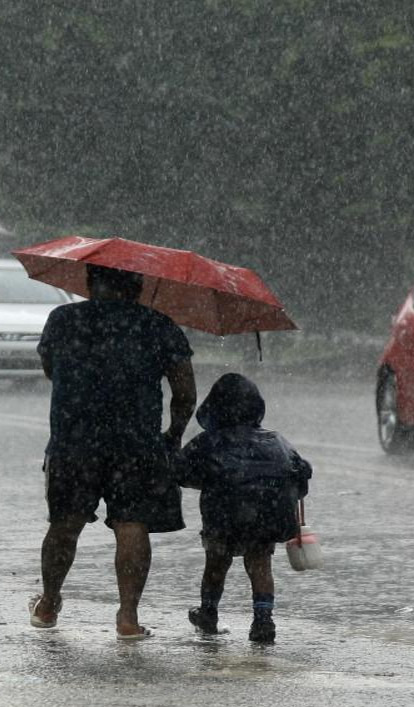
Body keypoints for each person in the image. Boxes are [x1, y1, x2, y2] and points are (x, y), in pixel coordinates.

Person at [28, 264, 196, 640]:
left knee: (65, 523)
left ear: (89, 284)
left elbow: (51, 369)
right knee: (131, 523)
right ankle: (128, 618)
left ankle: (49, 602)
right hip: (136, 443)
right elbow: (185, 390)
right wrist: (174, 433)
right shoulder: (158, 324)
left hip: (74, 441)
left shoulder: (63, 319)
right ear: (139, 286)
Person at [175, 373, 312, 643]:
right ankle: (263, 620)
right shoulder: (277, 442)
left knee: (216, 562)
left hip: (223, 515)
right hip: (266, 515)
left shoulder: (208, 442)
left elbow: (181, 471)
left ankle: (209, 611)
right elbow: (300, 471)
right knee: (260, 563)